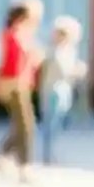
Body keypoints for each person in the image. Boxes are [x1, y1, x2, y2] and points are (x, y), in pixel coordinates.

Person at [0, 0, 43, 183]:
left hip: (23, 84)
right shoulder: (12, 34)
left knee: (22, 126)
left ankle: (2, 156)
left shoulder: (24, 35)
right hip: (15, 85)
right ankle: (24, 167)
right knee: (26, 127)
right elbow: (10, 63)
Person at [38, 16, 88, 166]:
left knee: (60, 121)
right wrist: (77, 70)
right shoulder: (55, 51)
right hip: (53, 90)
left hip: (64, 89)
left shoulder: (69, 51)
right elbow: (63, 71)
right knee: (51, 123)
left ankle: (51, 153)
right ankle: (48, 154)